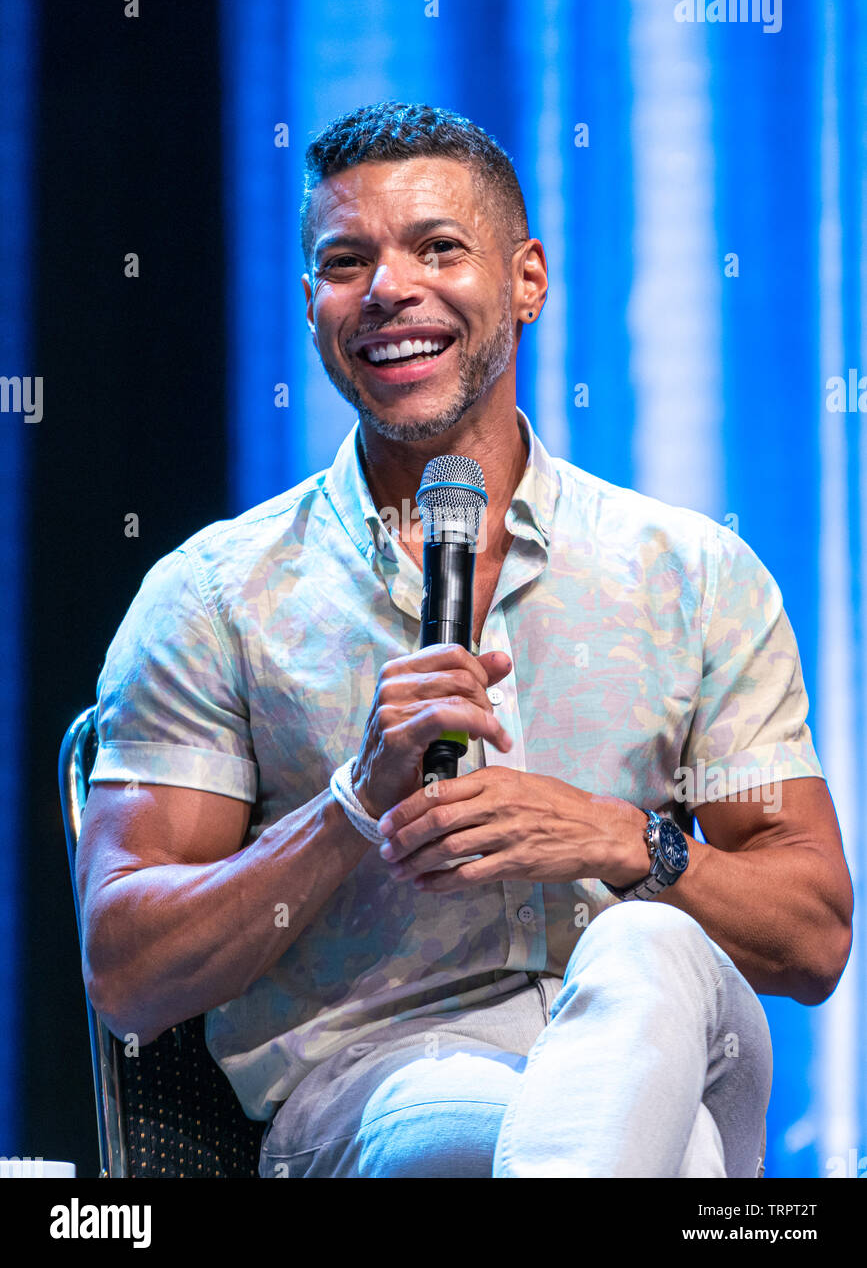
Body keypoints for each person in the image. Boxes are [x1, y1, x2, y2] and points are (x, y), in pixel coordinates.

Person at [76, 101, 853, 1178]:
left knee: (647, 940)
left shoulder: (692, 574)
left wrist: (624, 840)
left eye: (439, 247)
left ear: (527, 279)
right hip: (393, 1091)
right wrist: (354, 801)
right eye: (347, 261)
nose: (391, 287)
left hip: (678, 1040)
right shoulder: (214, 596)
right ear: (312, 306)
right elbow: (130, 972)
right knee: (497, 1140)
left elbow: (812, 939)